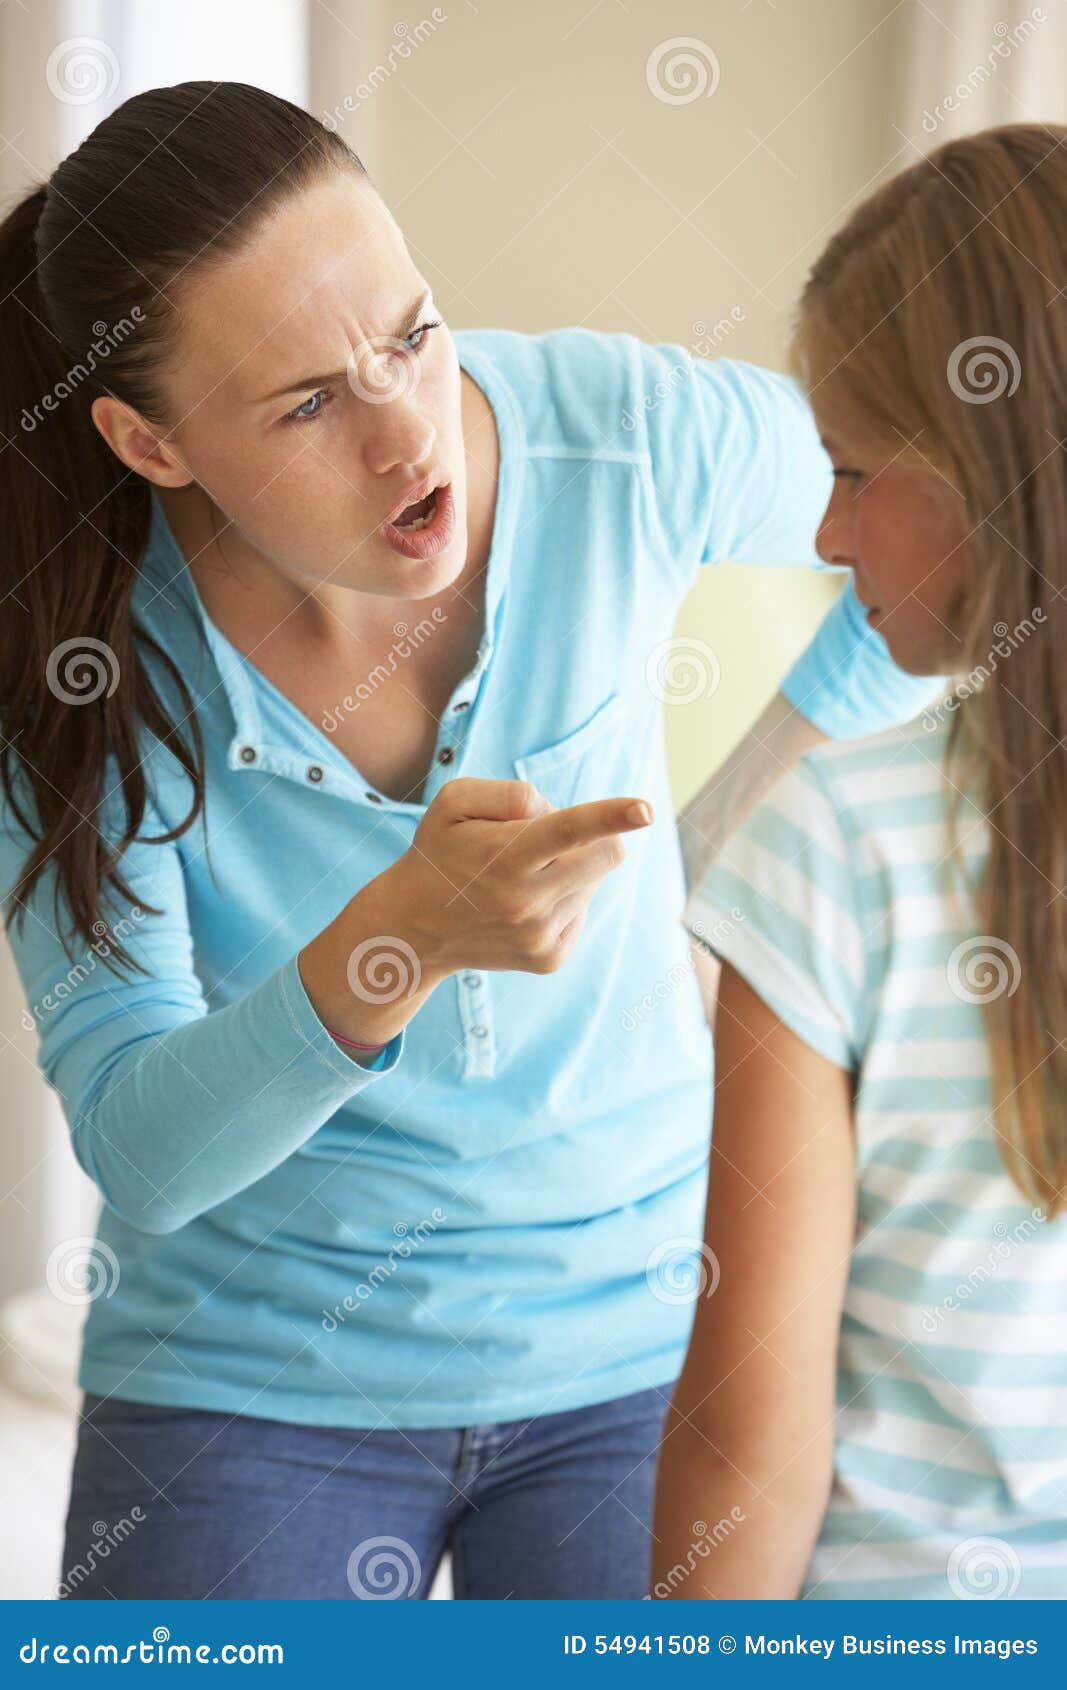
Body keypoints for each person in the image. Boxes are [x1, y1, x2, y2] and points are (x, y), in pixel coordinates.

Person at [0, 81, 937, 1600]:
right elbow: (139, 1146)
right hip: (246, 1373)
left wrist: (747, 802)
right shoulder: (78, 656)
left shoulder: (622, 438)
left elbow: (960, 523)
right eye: (307, 403)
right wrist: (401, 940)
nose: (402, 432)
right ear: (147, 441)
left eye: (412, 335)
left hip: (633, 1341)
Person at [653, 121, 1067, 1602]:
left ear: (991, 468)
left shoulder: (835, 848)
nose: (826, 535)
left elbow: (749, 1451)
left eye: (850, 470)